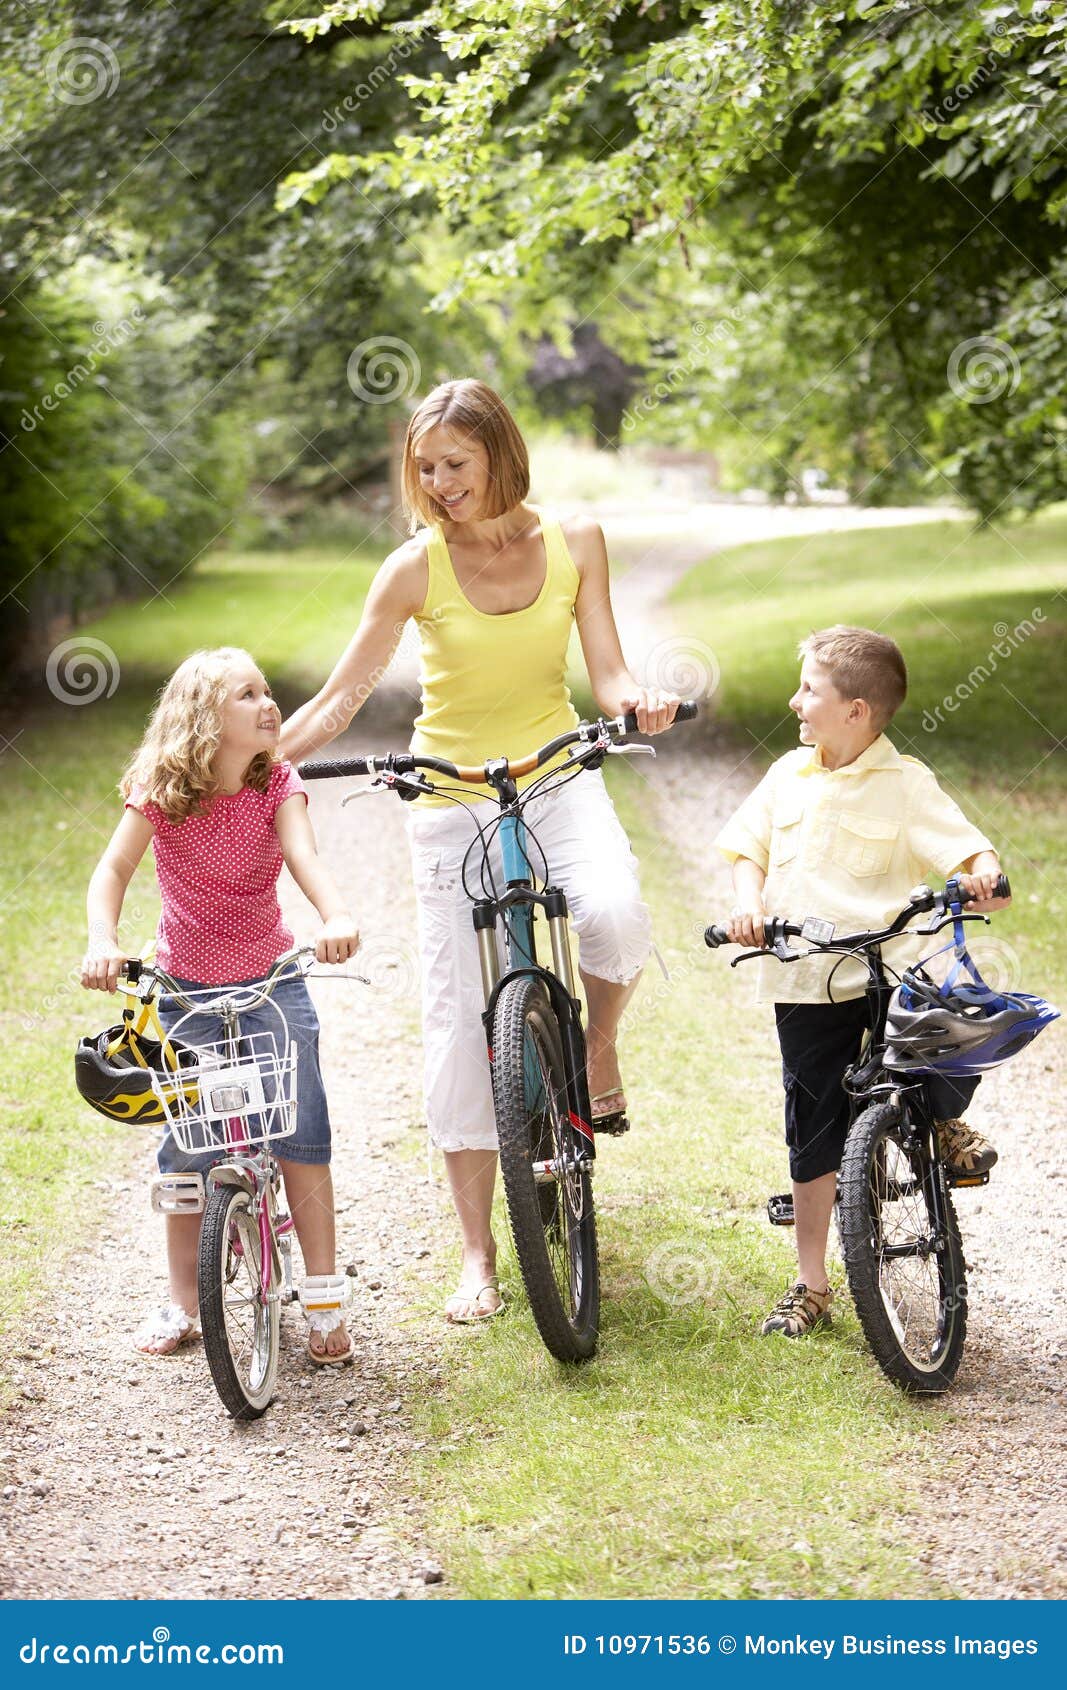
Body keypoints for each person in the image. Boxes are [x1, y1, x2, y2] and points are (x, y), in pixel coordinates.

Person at [279, 378, 679, 1323]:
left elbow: (609, 667)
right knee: (461, 1024)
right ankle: (478, 1256)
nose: (438, 483)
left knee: (615, 916)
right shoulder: (415, 567)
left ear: (498, 452)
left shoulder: (575, 539)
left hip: (552, 775)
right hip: (449, 796)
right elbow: (340, 698)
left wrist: (635, 701)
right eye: (424, 469)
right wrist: (250, 761)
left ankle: (595, 1050)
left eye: (454, 464)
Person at [715, 625, 1009, 1339]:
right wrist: (748, 907)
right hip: (806, 976)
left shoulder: (906, 784)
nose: (794, 702)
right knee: (811, 1129)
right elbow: (744, 846)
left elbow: (969, 848)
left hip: (888, 968)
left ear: (855, 711)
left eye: (808, 690)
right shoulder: (787, 773)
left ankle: (938, 1117)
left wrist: (981, 876)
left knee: (945, 1029)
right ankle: (810, 1283)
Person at [80, 647, 361, 1361]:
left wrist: (333, 918)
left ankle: (323, 1297)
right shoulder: (160, 790)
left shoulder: (277, 785)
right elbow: (113, 868)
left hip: (270, 979)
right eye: (247, 695)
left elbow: (305, 860)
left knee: (300, 1126)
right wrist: (101, 939)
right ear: (204, 717)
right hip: (185, 992)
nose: (269, 704)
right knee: (184, 1153)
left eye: (268, 690)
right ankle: (180, 1303)